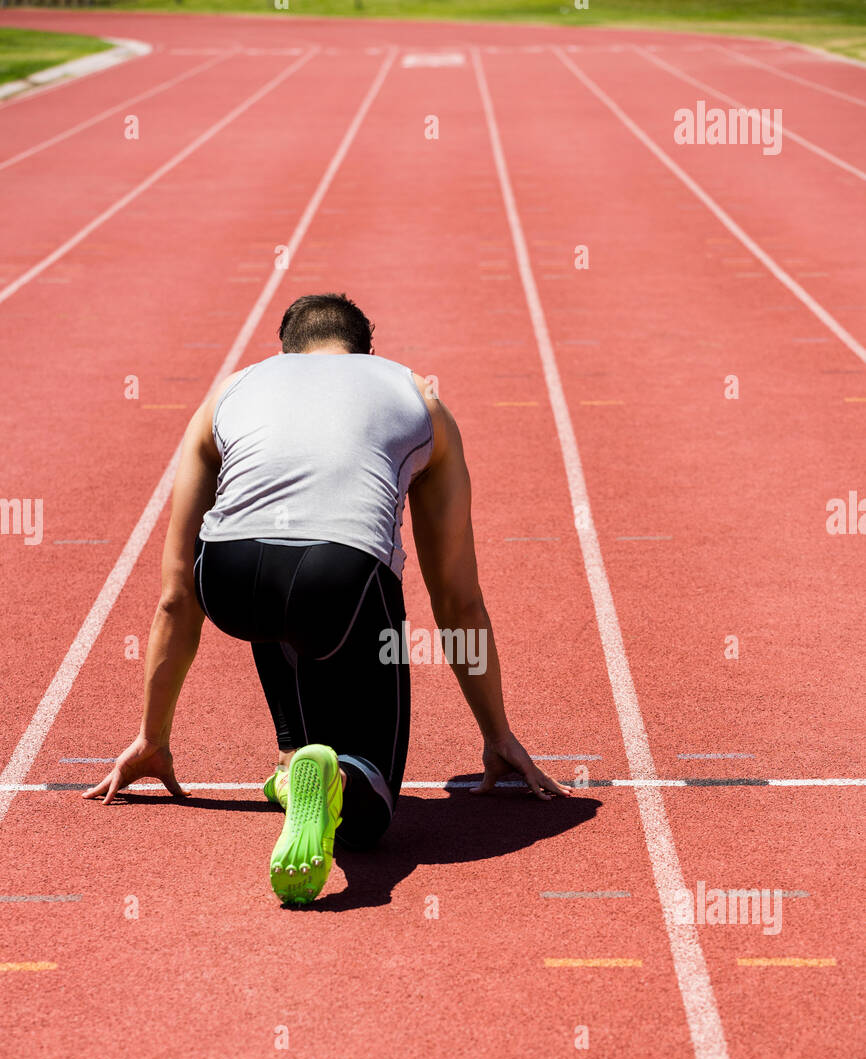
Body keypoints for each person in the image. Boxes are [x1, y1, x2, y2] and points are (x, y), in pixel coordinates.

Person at [85, 293, 571, 903]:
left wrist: (153, 735)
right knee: (369, 819)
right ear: (367, 348)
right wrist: (496, 732)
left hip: (230, 583)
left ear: (284, 349)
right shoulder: (418, 395)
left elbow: (177, 595)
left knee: (270, 578)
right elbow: (458, 599)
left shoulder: (230, 392)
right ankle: (337, 775)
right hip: (338, 583)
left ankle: (294, 763)